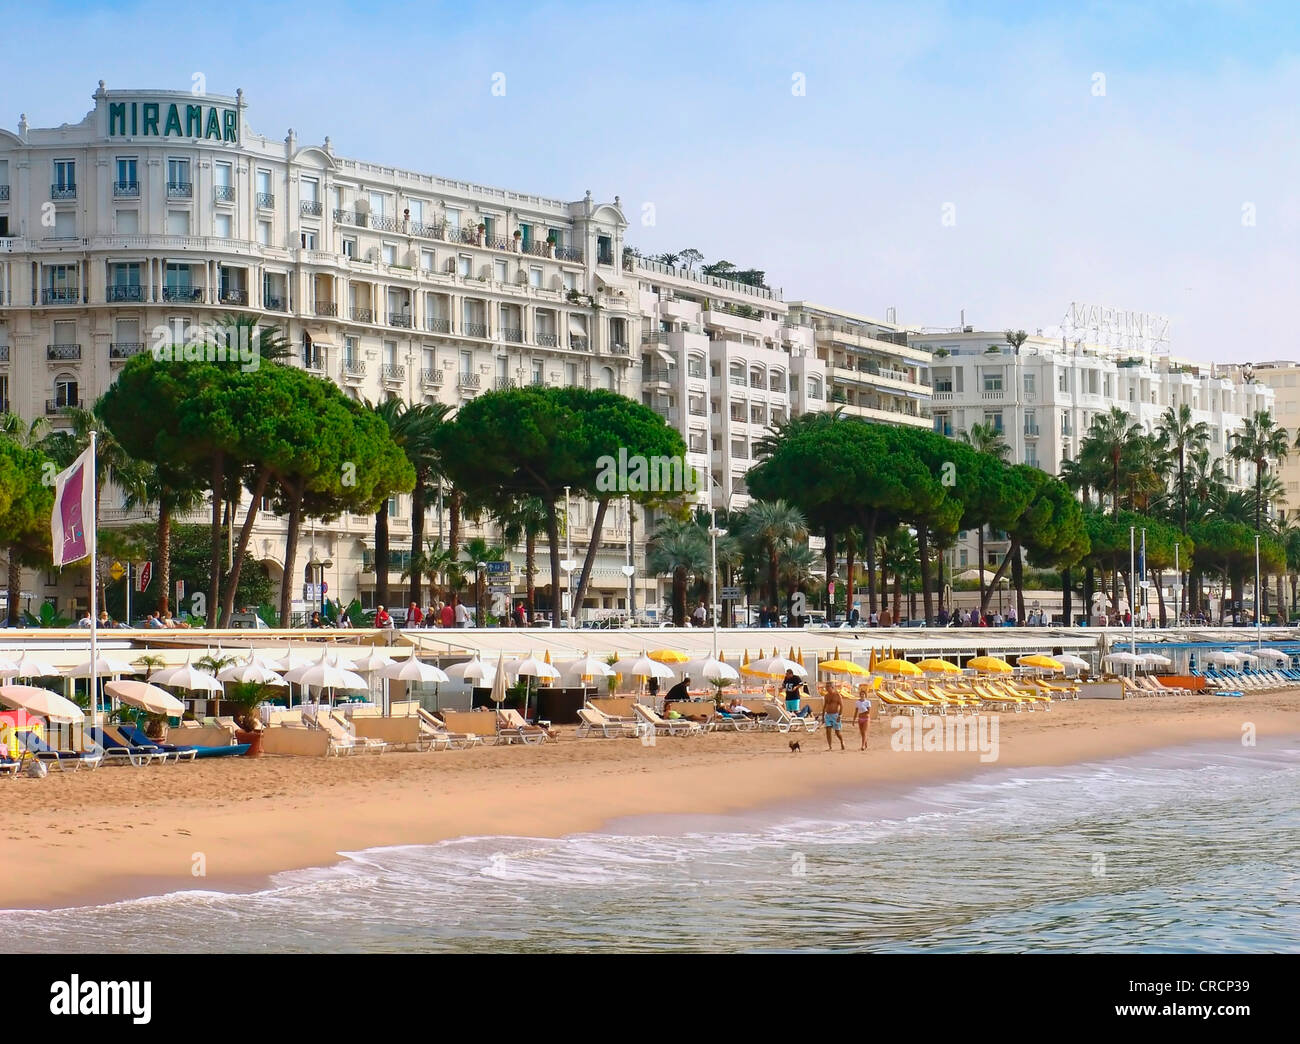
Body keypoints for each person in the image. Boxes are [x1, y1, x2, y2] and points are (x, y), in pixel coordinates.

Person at [822, 682, 845, 751]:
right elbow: (825, 706)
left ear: (832, 687)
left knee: (837, 732)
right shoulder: (826, 696)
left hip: (835, 715)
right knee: (828, 731)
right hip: (828, 715)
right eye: (826, 687)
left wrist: (839, 716)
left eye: (827, 687)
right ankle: (830, 746)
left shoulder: (837, 695)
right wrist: (823, 716)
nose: (826, 688)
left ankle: (842, 741)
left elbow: (841, 706)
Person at [855, 687, 872, 751]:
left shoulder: (867, 702)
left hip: (866, 718)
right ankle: (865, 742)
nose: (862, 695)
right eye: (861, 694)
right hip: (860, 718)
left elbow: (868, 711)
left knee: (864, 732)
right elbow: (856, 711)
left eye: (863, 694)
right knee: (862, 733)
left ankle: (862, 746)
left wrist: (863, 708)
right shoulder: (857, 702)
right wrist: (854, 719)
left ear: (865, 695)